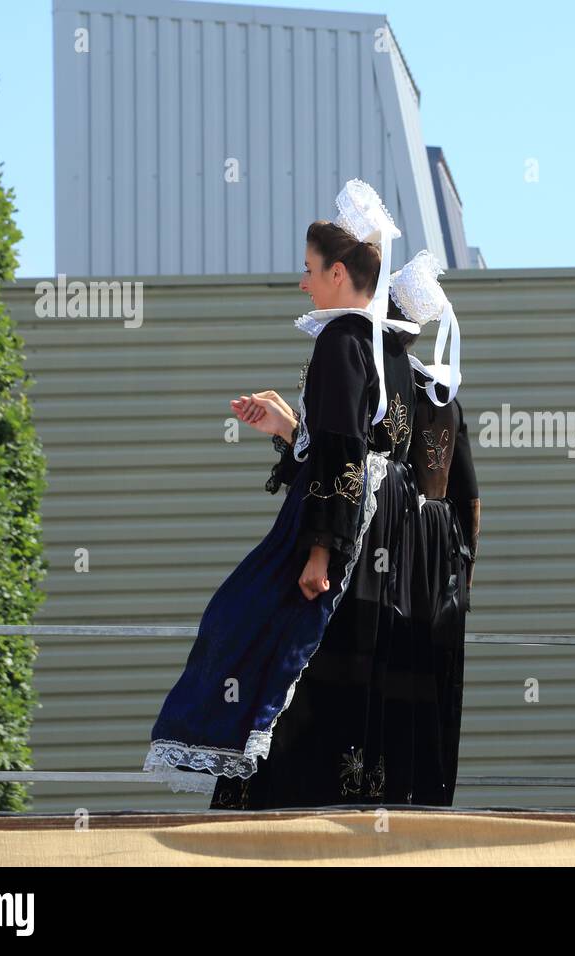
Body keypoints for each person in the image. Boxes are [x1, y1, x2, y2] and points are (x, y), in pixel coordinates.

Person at [144, 180, 426, 806]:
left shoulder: (339, 340)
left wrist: (320, 550)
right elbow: (360, 445)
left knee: (238, 620)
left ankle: (263, 795)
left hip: (340, 531)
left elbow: (343, 452)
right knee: (327, 665)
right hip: (383, 535)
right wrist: (289, 428)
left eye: (308, 270)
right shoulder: (392, 349)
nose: (303, 283)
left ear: (339, 272)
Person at [389, 249, 480, 801]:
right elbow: (469, 497)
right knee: (431, 673)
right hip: (441, 551)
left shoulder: (384, 379)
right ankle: (425, 792)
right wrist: (465, 568)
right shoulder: (443, 391)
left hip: (395, 546)